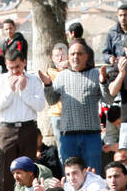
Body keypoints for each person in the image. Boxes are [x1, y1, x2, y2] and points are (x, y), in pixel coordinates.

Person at [0, 47, 46, 191]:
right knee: (5, 170)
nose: (15, 71)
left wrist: (24, 90)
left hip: (29, 128)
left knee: (29, 169)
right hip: (8, 129)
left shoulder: (34, 80)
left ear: (24, 63)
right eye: (11, 68)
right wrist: (11, 90)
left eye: (18, 67)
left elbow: (40, 106)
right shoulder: (0, 81)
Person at [44, 40, 105, 174]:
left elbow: (109, 99)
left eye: (79, 54)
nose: (75, 57)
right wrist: (48, 85)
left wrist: (104, 82)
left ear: (86, 56)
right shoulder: (61, 76)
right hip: (68, 136)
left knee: (93, 174)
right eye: (72, 54)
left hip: (91, 135)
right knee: (71, 175)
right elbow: (52, 101)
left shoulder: (96, 74)